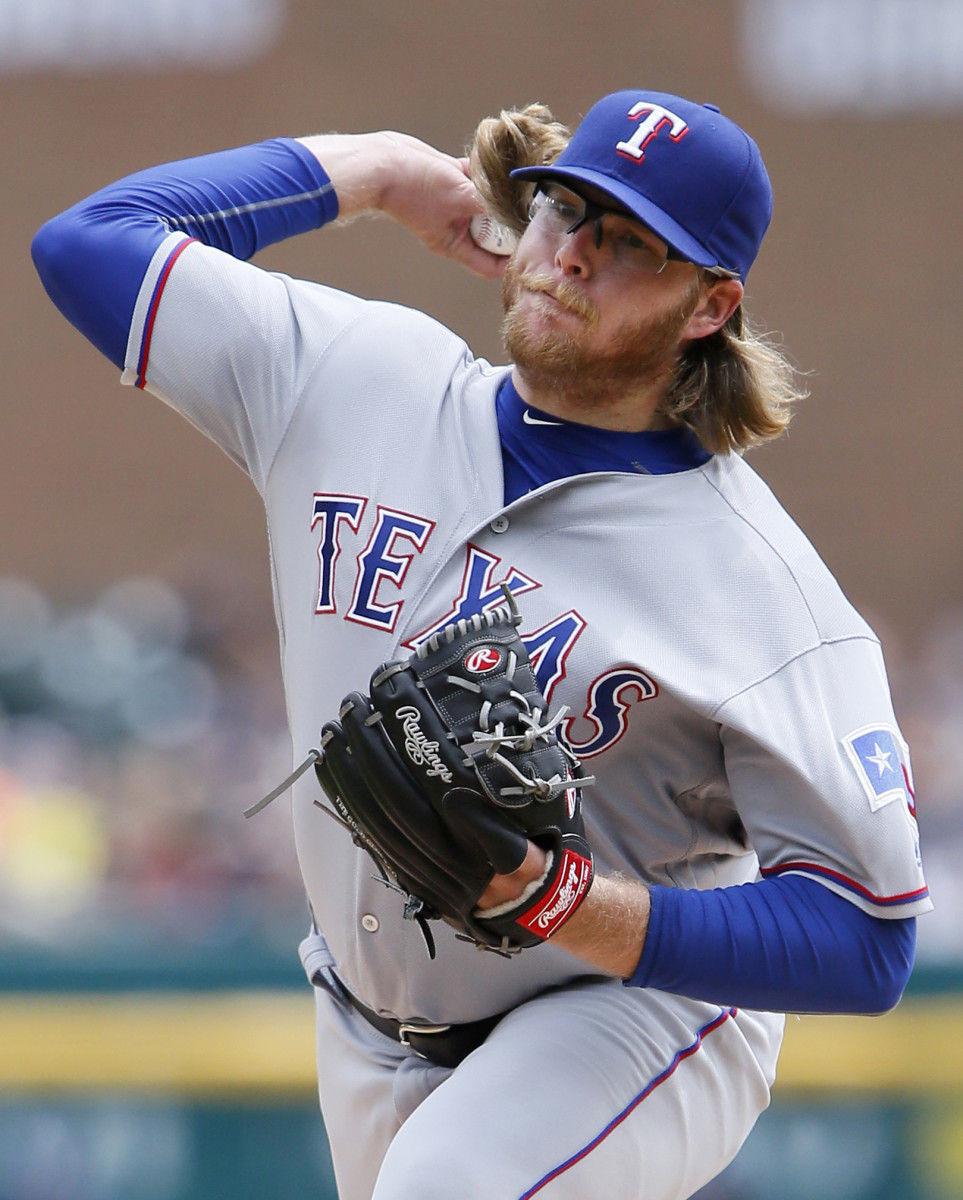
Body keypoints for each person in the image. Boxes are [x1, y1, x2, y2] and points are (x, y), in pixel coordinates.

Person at [32, 89, 930, 1200]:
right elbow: (89, 244)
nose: (574, 257)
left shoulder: (764, 591)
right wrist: (372, 170)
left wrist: (567, 904)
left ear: (710, 305)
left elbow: (865, 938)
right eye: (566, 213)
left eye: (630, 244)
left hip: (623, 1013)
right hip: (367, 1021)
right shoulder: (358, 377)